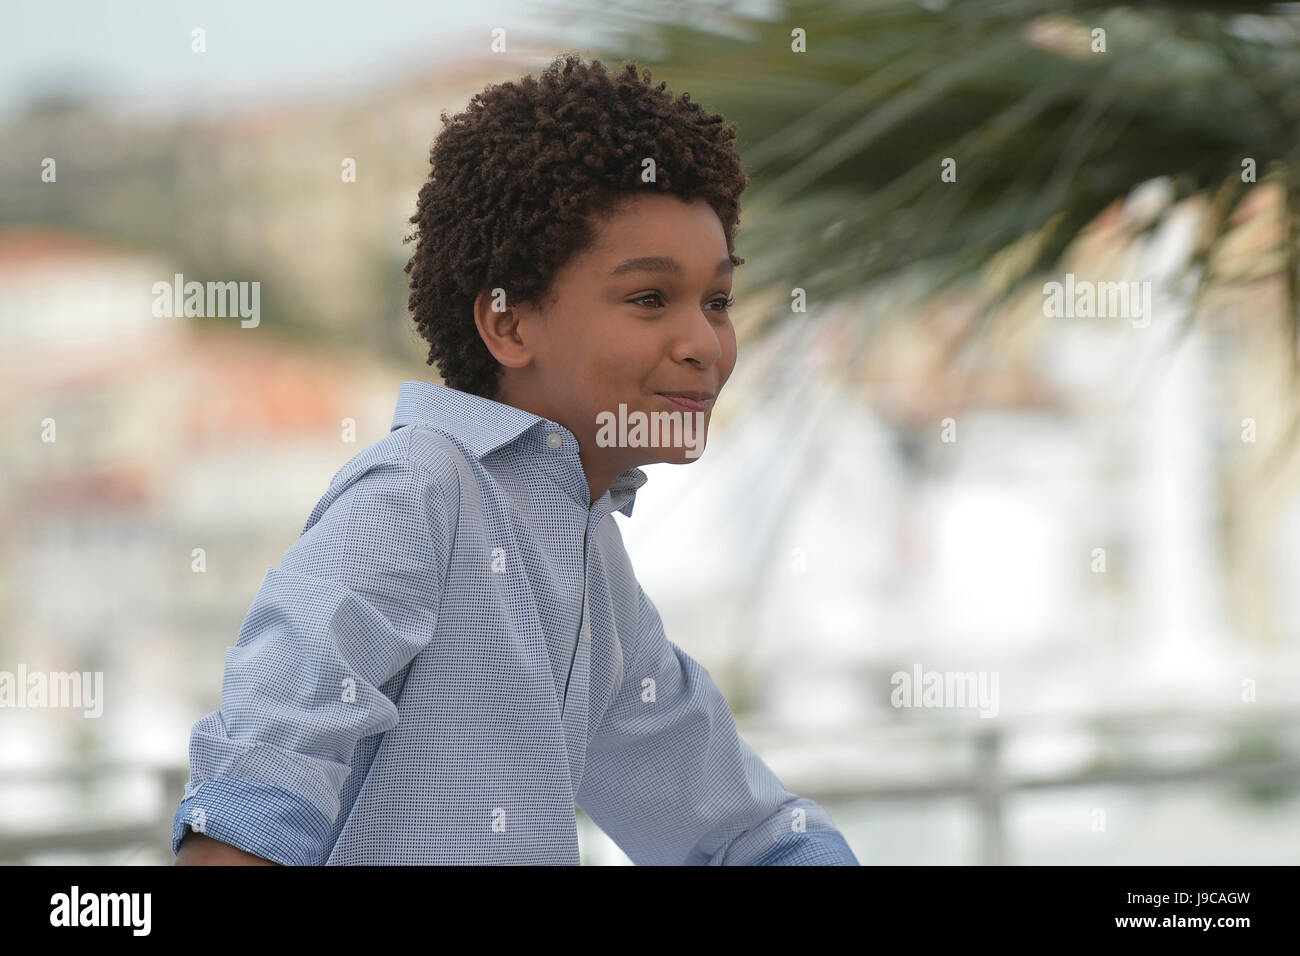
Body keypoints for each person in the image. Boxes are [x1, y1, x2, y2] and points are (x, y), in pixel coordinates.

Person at [174, 52, 858, 865]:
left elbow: (738, 832)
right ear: (509, 326)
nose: (704, 344)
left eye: (717, 302)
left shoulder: (588, 560)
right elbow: (251, 805)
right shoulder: (417, 494)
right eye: (649, 299)